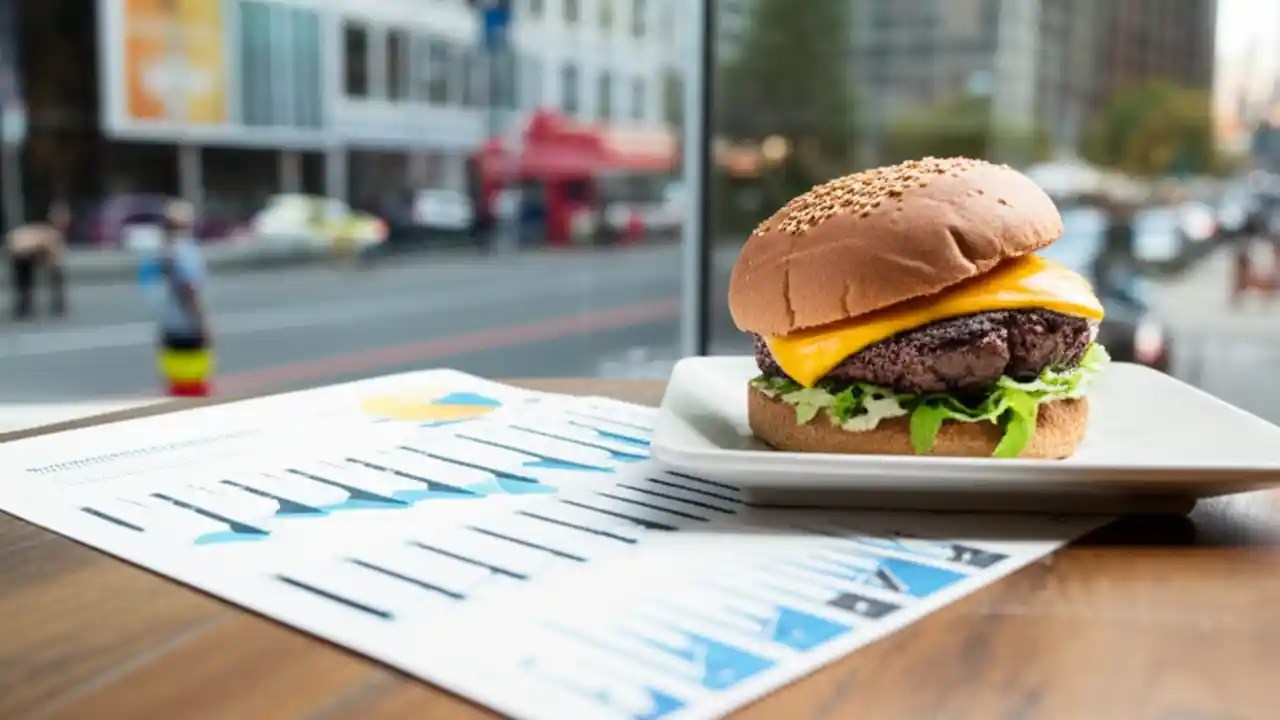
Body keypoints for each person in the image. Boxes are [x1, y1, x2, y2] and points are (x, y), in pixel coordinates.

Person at [147, 200, 214, 397]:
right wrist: (203, 322)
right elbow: (190, 289)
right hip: (188, 327)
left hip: (169, 326)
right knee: (194, 385)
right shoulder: (186, 252)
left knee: (175, 385)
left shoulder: (163, 253)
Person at [6, 202, 69, 320]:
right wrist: (53, 267)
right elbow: (54, 258)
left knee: (23, 282)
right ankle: (57, 305)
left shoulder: (39, 230)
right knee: (55, 277)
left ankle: (23, 308)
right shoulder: (52, 233)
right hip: (23, 250)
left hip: (17, 249)